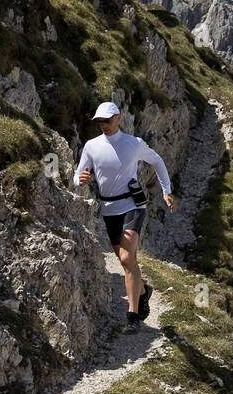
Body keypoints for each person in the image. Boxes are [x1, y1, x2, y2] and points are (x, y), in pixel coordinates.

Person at [73, 102, 177, 327]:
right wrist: (79, 180)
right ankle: (143, 290)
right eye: (99, 121)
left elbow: (157, 161)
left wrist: (166, 191)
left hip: (133, 206)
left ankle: (132, 316)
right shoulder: (91, 146)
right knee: (125, 261)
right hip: (109, 209)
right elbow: (77, 174)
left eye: (107, 120)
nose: (103, 125)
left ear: (118, 118)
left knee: (128, 258)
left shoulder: (134, 143)